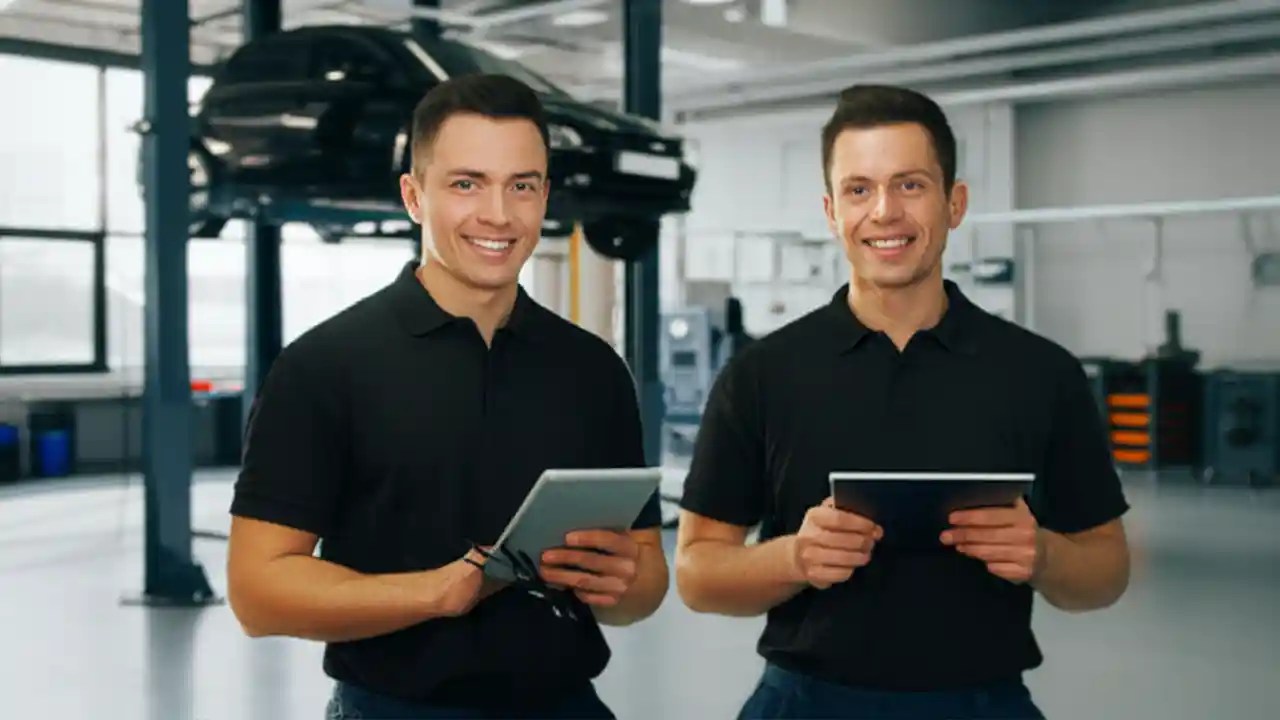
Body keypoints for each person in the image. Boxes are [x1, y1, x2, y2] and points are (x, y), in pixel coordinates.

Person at [674, 84, 1131, 719]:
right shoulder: (761, 374)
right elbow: (697, 574)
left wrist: (1044, 555)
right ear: (832, 211)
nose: (884, 211)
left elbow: (1106, 571)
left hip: (983, 703)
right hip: (805, 702)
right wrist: (794, 558)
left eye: (910, 185)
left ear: (955, 203)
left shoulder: (1041, 374)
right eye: (859, 190)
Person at [226, 73, 669, 719]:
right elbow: (257, 592)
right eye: (467, 184)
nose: (498, 214)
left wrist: (625, 582)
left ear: (544, 196)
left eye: (521, 186)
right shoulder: (325, 365)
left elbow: (646, 581)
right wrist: (434, 593)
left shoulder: (593, 370)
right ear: (413, 196)